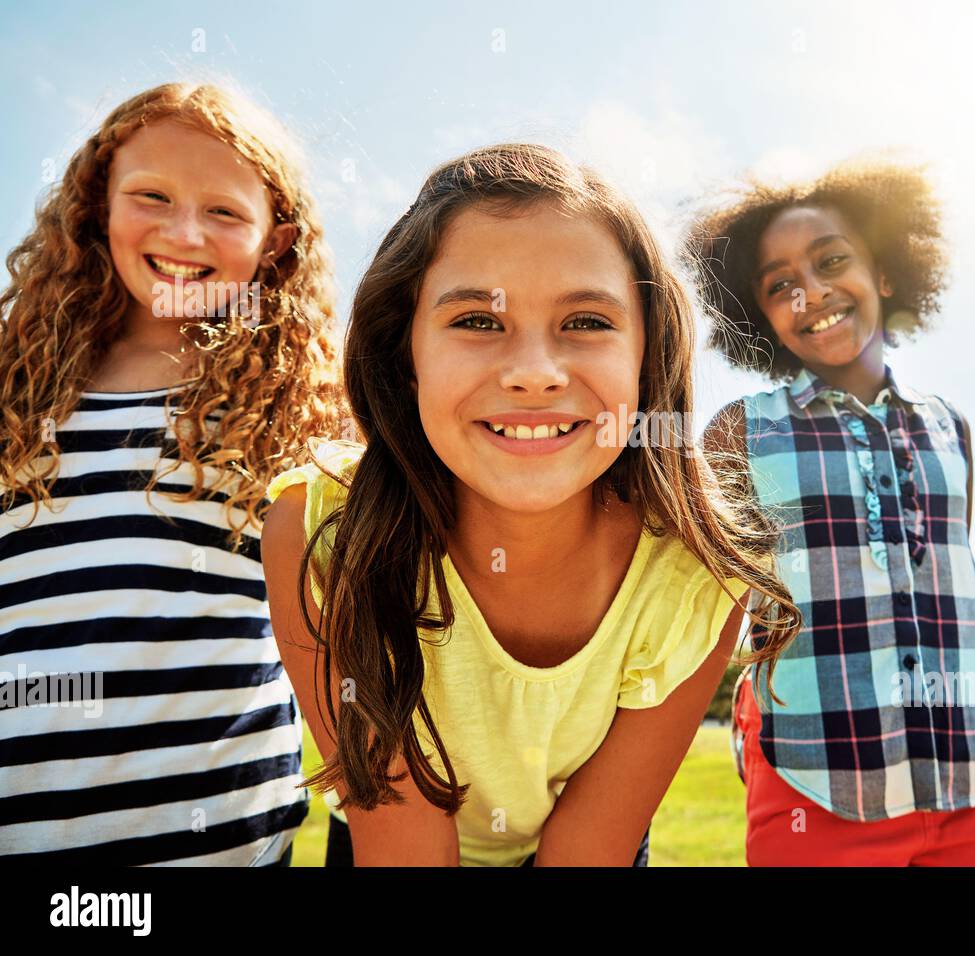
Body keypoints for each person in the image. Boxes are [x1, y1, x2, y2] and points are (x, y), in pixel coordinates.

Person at [261, 143, 801, 866]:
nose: (534, 374)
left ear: (649, 357)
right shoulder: (316, 527)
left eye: (585, 321)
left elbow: (588, 848)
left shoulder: (698, 570)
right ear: (404, 354)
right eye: (478, 322)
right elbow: (404, 851)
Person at [0, 82, 347, 864]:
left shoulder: (306, 401)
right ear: (97, 206)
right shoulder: (13, 388)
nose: (184, 232)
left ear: (276, 240)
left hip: (219, 839)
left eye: (225, 211)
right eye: (150, 196)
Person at [688, 159, 975, 865]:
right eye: (780, 285)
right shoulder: (738, 433)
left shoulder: (952, 428)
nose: (811, 291)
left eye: (832, 261)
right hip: (814, 787)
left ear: (884, 274)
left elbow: (937, 579)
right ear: (760, 316)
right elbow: (711, 611)